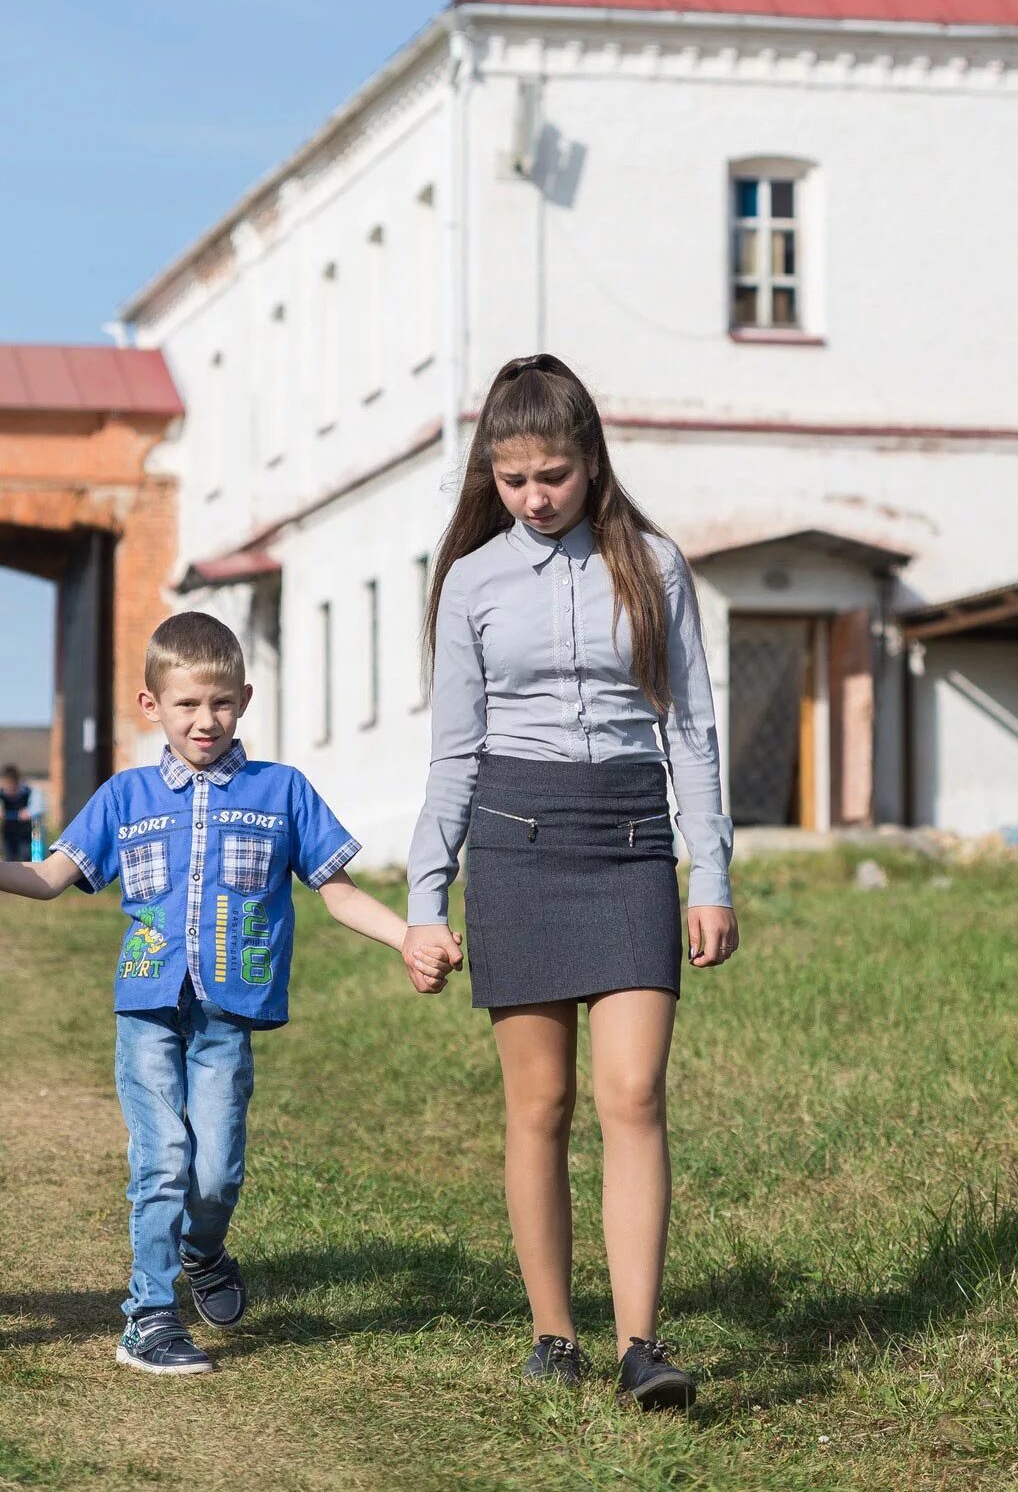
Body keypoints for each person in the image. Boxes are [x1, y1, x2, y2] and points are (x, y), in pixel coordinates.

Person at [0, 612, 457, 1374]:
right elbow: (51, 878)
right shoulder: (124, 796)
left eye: (220, 703)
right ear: (150, 704)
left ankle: (202, 1247)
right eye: (187, 704)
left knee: (216, 1170)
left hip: (230, 1013)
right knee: (162, 1159)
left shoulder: (281, 790)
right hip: (149, 1009)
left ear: (245, 698)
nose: (205, 720)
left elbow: (340, 891)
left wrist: (408, 936)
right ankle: (149, 1315)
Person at [404, 353, 739, 1410]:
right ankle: (555, 1332)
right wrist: (426, 893)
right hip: (514, 840)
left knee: (633, 1092)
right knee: (539, 1101)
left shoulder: (654, 564)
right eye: (512, 480)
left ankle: (643, 1341)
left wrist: (710, 871)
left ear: (590, 460)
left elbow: (690, 729)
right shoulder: (471, 580)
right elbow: (453, 750)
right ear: (489, 477)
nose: (534, 496)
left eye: (552, 473)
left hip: (632, 840)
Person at [0, 764, 36, 862]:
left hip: (24, 831)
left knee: (25, 855)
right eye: (5, 785)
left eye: (10, 785)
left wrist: (28, 812)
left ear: (16, 782)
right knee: (9, 856)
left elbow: (36, 806)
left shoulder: (26, 792)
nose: (8, 788)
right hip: (8, 830)